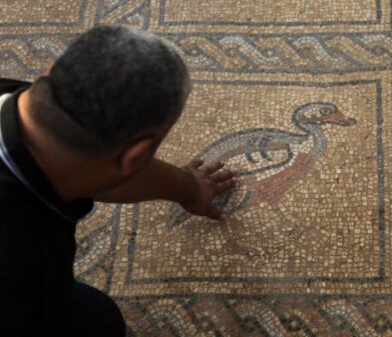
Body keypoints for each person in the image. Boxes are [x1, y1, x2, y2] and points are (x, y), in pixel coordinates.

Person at [0, 25, 236, 336]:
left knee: (97, 317)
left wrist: (189, 188)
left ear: (51, 72)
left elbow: (103, 166)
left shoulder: (27, 98)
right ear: (135, 157)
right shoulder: (17, 271)